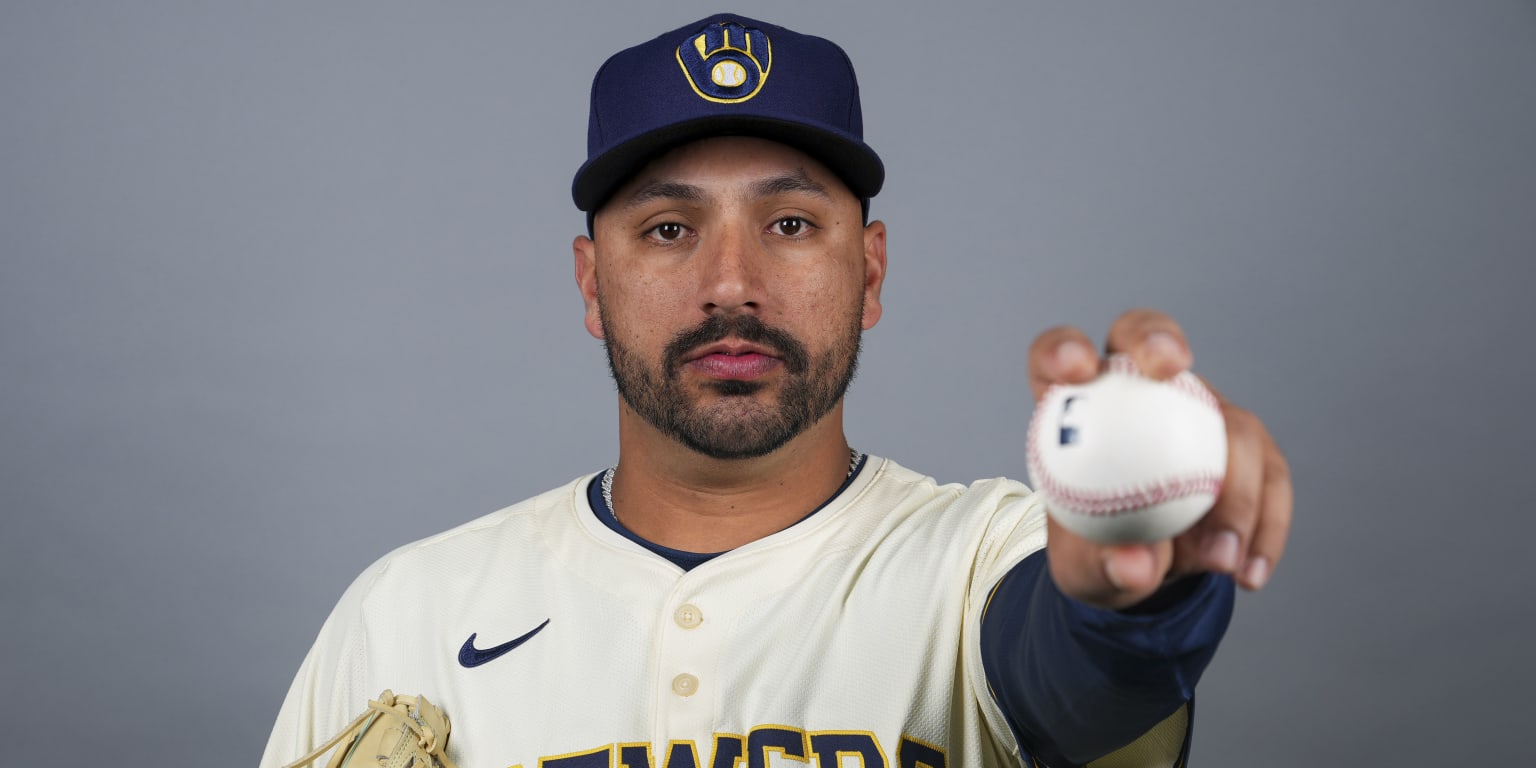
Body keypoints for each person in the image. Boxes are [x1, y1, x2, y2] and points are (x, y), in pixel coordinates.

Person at [261, 13, 1291, 768]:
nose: (731, 285)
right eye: (669, 229)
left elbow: (1078, 676)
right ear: (590, 282)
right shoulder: (408, 616)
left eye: (790, 223)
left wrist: (1133, 581)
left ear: (871, 271)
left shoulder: (985, 564)